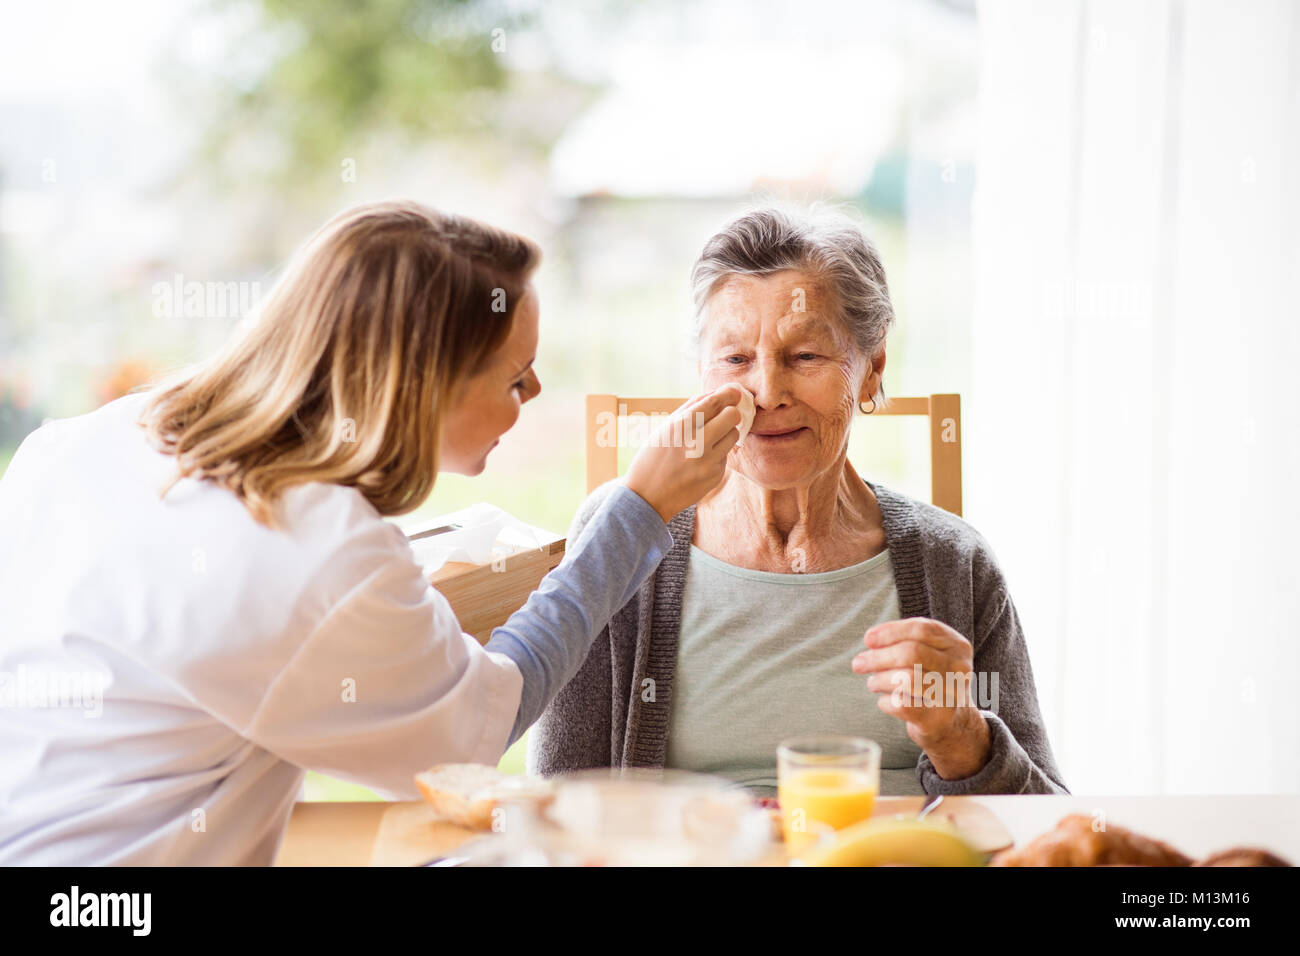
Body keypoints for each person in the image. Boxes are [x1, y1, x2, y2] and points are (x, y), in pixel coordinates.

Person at [0, 200, 744, 864]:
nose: (538, 393)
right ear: (426, 389)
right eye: (516, 379)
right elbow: (477, 727)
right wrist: (638, 510)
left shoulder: (86, 442)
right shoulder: (316, 550)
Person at [529, 205, 1067, 797]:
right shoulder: (625, 534)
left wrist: (963, 736)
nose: (767, 393)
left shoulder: (954, 562)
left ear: (871, 369)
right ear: (702, 376)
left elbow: (1048, 829)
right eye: (736, 359)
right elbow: (557, 807)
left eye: (805, 357)